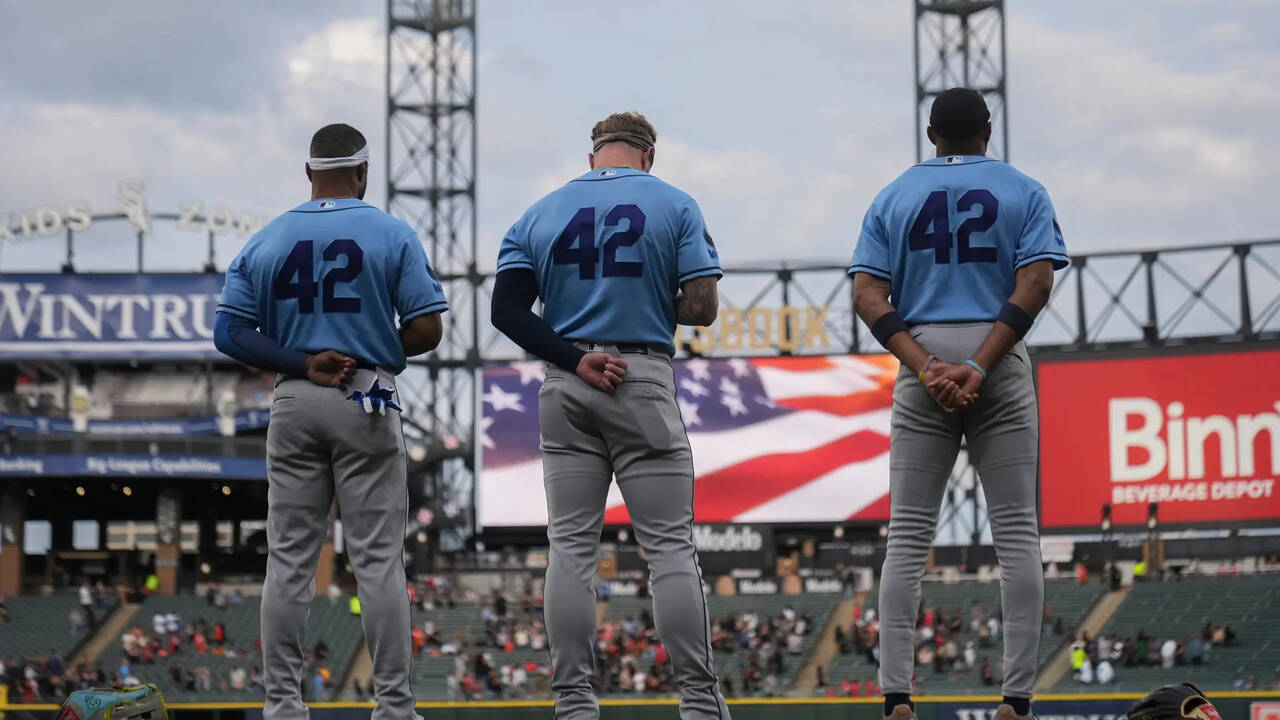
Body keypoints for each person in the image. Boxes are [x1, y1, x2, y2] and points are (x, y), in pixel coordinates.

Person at [490, 111, 729, 720]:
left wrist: (574, 357)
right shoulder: (673, 202)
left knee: (569, 549)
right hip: (639, 374)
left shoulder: (539, 212)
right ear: (648, 154)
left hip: (568, 378)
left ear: (593, 153)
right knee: (670, 549)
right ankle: (699, 704)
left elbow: (508, 313)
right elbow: (701, 306)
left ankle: (573, 704)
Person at [215, 123, 448, 720]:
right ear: (364, 171)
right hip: (365, 390)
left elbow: (229, 333)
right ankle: (394, 707)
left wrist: (300, 361)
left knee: (289, 560)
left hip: (294, 394)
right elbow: (427, 329)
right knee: (376, 561)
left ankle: (282, 708)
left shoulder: (266, 239)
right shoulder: (390, 231)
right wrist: (376, 345)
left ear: (309, 173)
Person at [850, 88, 1067, 720]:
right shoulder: (1025, 189)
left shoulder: (892, 194)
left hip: (922, 354)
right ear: (989, 130)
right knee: (1018, 535)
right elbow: (1036, 280)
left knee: (909, 538)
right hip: (996, 352)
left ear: (929, 133)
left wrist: (927, 367)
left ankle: (896, 699)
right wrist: (978, 365)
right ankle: (1016, 701)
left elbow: (868, 294)